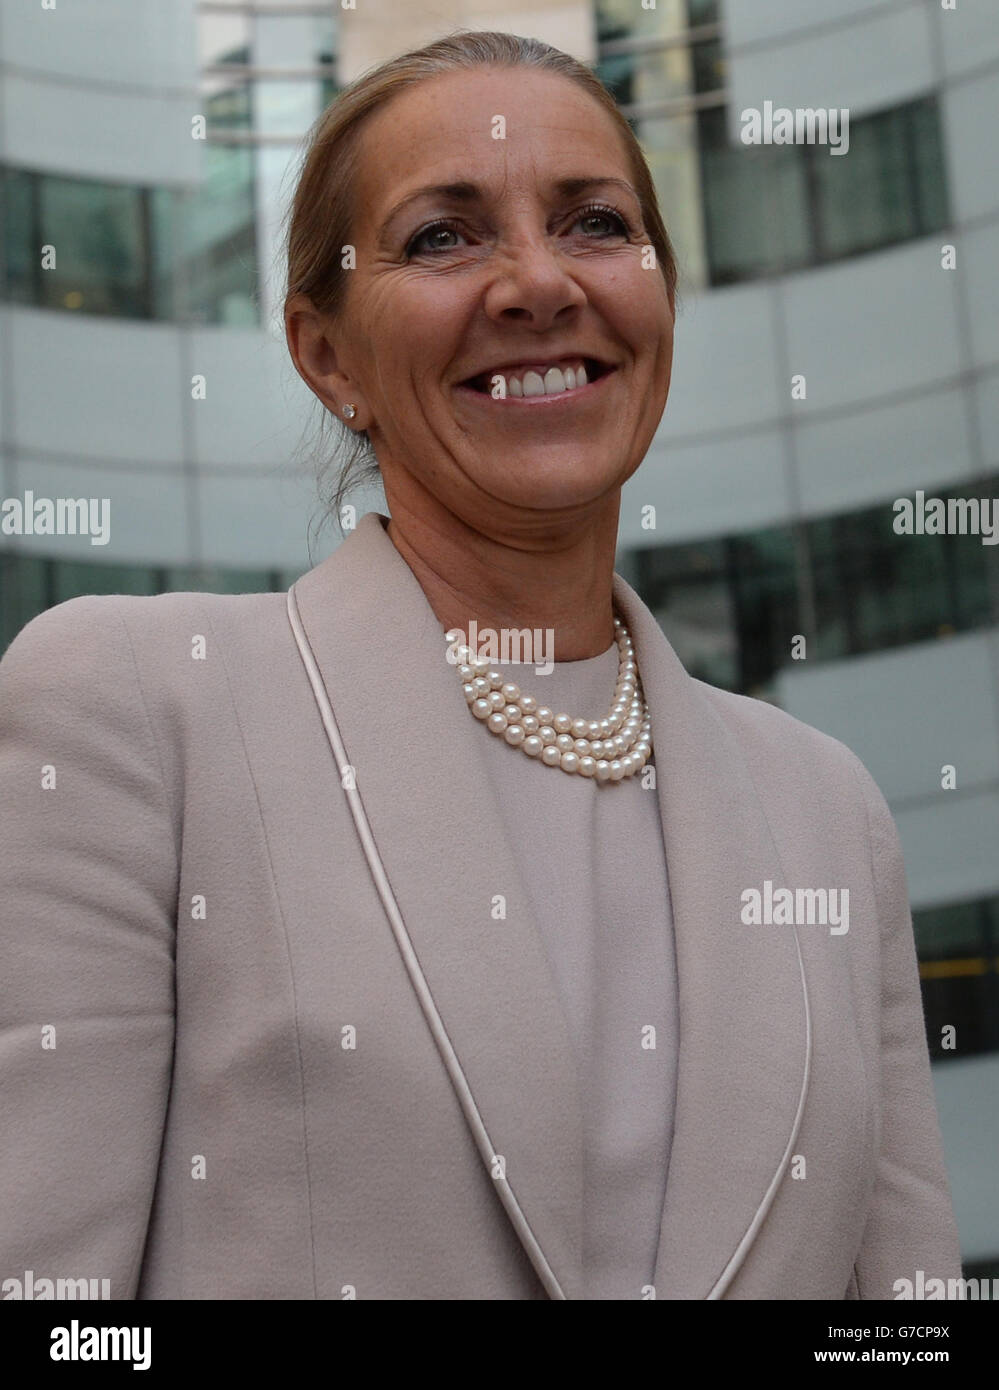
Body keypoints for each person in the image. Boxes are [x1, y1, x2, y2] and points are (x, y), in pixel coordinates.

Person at [0, 30, 960, 1301]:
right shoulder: (132, 705)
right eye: (444, 237)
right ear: (328, 355)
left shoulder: (827, 810)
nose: (538, 284)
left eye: (595, 223)